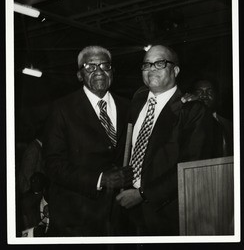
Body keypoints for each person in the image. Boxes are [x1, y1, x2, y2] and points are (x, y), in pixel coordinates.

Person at [116, 44, 214, 236]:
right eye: (146, 64)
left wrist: (143, 194)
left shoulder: (193, 111)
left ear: (175, 70)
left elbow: (190, 167)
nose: (151, 68)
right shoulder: (137, 102)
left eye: (160, 63)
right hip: (127, 209)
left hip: (165, 214)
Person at [43, 45, 133, 237]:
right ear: (79, 75)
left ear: (112, 71)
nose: (99, 71)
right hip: (77, 217)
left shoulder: (128, 106)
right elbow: (53, 165)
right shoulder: (61, 108)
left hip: (119, 216)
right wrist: (100, 179)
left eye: (104, 66)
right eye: (90, 66)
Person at [181, 79, 233, 157]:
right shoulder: (183, 121)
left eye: (210, 92)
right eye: (199, 92)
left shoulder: (230, 126)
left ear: (217, 96)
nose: (204, 96)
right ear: (191, 95)